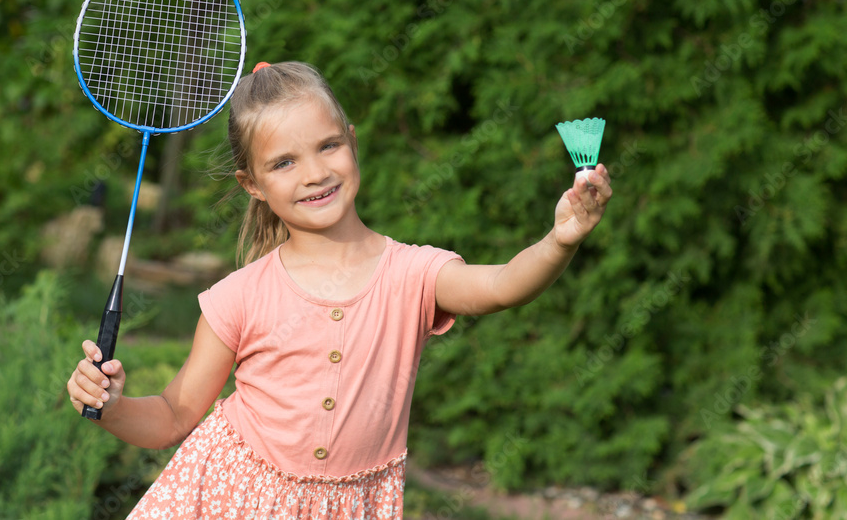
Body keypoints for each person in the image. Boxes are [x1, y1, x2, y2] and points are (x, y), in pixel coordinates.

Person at [66, 61, 613, 519]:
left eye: (328, 146)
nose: (314, 173)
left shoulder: (411, 274)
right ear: (252, 185)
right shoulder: (237, 297)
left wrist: (558, 241)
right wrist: (110, 407)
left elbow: (500, 286)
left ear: (352, 144)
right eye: (284, 162)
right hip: (232, 500)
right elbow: (172, 415)